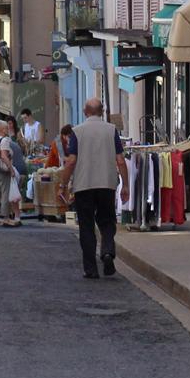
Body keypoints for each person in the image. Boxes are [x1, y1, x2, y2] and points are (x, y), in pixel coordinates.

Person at [62, 98, 129, 278]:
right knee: (107, 221)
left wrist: (63, 184)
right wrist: (126, 185)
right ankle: (107, 251)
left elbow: (71, 161)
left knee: (86, 226)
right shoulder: (111, 130)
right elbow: (121, 160)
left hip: (84, 185)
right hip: (107, 183)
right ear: (102, 111)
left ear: (85, 112)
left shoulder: (77, 132)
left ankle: (90, 269)